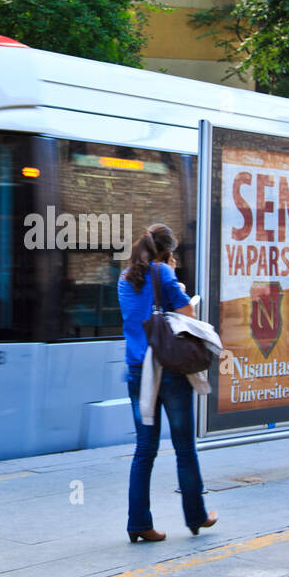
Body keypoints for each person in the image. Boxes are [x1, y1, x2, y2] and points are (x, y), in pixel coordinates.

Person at [117, 223, 216, 542]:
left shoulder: (124, 279)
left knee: (144, 449)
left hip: (137, 370)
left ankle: (138, 523)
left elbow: (138, 315)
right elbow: (187, 312)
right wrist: (175, 279)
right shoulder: (164, 273)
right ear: (168, 252)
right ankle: (196, 516)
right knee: (184, 446)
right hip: (169, 369)